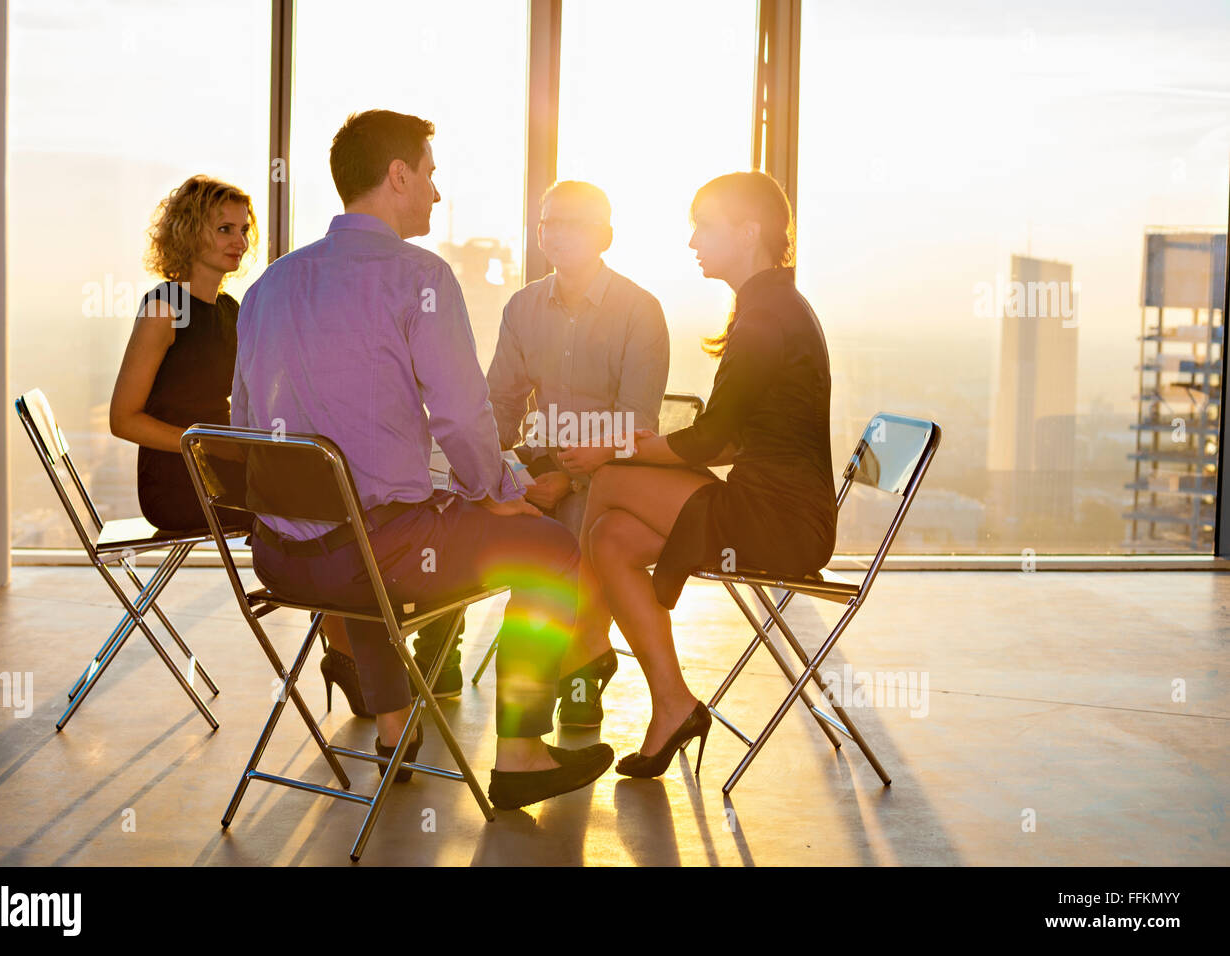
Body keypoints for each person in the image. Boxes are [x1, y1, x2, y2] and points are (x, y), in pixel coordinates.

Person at [231, 109, 613, 808]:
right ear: (398, 176)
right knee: (553, 548)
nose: (437, 192)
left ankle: (395, 726)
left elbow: (242, 425)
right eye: (431, 175)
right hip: (372, 556)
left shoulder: (266, 286)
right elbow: (464, 419)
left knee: (369, 514)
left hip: (278, 556)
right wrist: (497, 485)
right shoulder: (419, 277)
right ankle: (522, 755)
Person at [567, 170, 837, 778]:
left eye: (705, 227)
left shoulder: (769, 314)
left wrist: (621, 451)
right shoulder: (769, 305)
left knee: (609, 481)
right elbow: (734, 435)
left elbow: (714, 441)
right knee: (609, 539)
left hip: (782, 520)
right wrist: (638, 445)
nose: (692, 241)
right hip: (769, 505)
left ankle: (581, 647)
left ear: (748, 232)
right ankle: (673, 705)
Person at [485, 179, 669, 729]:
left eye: (572, 222)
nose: (556, 233)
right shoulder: (522, 307)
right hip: (540, 469)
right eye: (548, 222)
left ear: (605, 235)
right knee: (470, 514)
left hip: (610, 475)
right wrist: (503, 472)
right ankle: (445, 654)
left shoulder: (641, 310)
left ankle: (583, 660)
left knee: (579, 530)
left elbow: (637, 423)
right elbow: (501, 405)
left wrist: (567, 478)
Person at [110, 175, 257, 534]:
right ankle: (299, 586)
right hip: (177, 483)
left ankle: (296, 585)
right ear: (189, 233)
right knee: (297, 503)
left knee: (307, 492)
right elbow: (123, 420)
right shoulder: (165, 308)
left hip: (220, 467)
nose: (239, 242)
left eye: (243, 229)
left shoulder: (229, 309)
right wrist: (210, 447)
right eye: (225, 229)